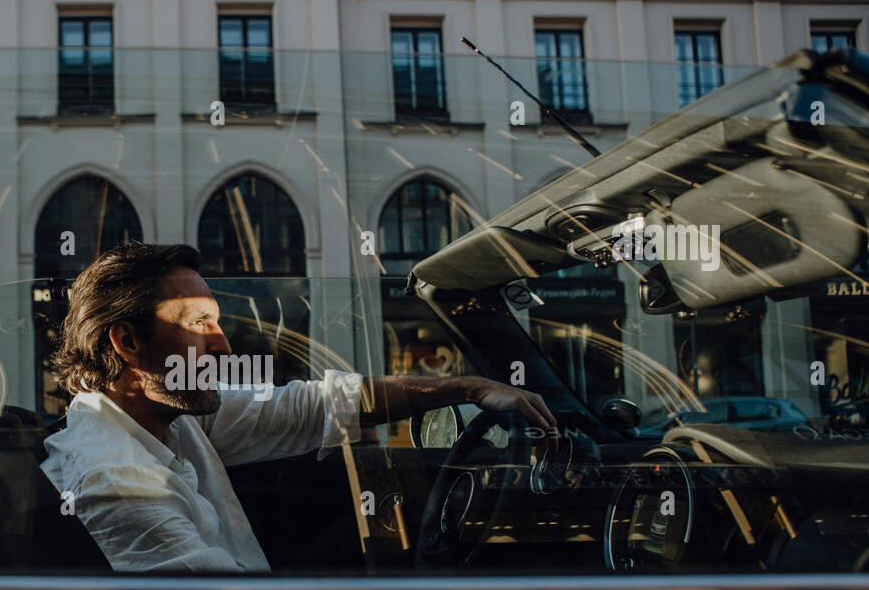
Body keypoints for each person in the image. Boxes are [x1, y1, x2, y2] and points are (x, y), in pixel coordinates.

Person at [41, 242, 557, 573]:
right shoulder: (117, 476)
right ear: (128, 342)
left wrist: (466, 389)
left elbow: (314, 407)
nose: (223, 346)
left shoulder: (169, 419)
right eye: (198, 323)